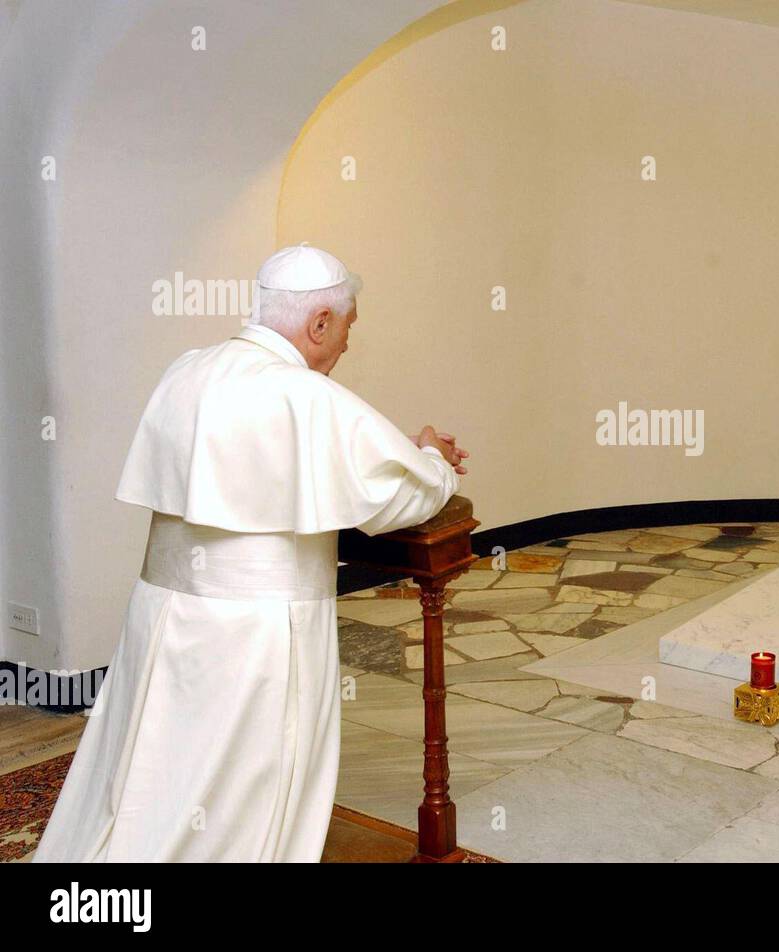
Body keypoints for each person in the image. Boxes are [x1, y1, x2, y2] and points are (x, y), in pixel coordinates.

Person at [33, 244, 467, 862]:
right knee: (245, 787)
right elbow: (404, 498)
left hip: (161, 613)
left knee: (153, 767)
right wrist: (430, 456)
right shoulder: (305, 395)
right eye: (346, 327)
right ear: (319, 323)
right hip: (258, 631)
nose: (346, 343)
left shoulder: (187, 369)